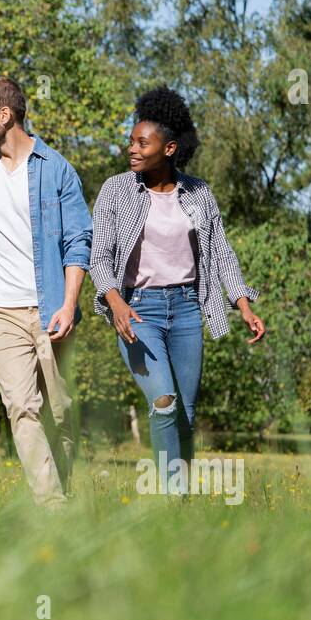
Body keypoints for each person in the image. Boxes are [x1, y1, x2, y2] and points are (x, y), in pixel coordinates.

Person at [88, 86, 266, 487]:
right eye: (131, 140)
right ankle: (169, 499)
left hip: (187, 311)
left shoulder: (199, 193)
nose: (131, 149)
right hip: (137, 311)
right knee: (163, 404)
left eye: (141, 143)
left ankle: (180, 502)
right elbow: (98, 256)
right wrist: (115, 302)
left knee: (185, 413)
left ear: (168, 149)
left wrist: (243, 304)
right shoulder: (116, 190)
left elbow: (221, 252)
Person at [0, 77, 92, 508]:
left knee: (61, 410)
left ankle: (61, 488)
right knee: (21, 407)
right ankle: (52, 506)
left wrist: (69, 304)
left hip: (50, 306)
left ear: (4, 115)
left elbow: (78, 241)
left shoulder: (57, 169)